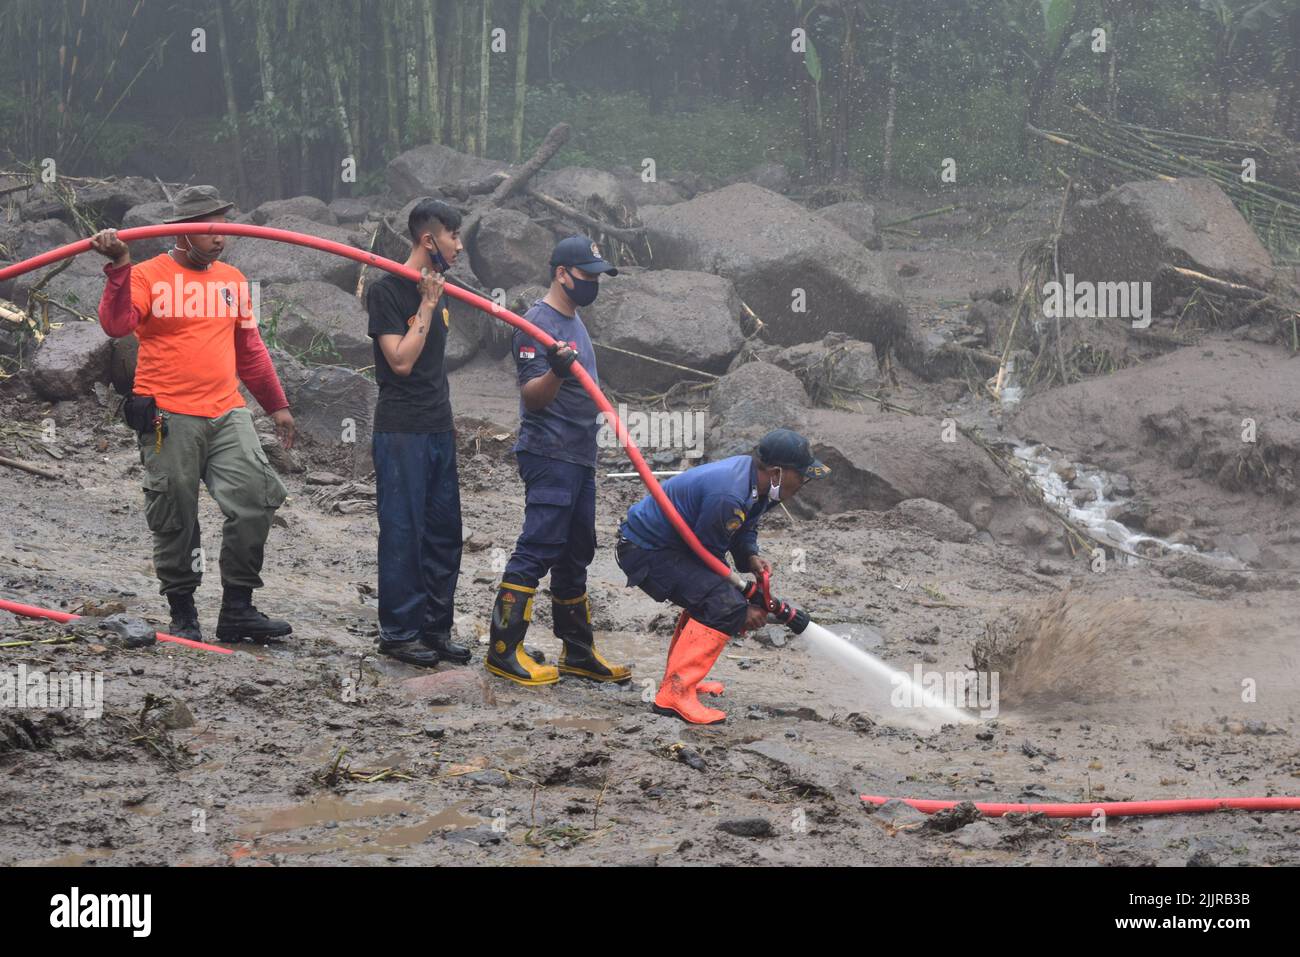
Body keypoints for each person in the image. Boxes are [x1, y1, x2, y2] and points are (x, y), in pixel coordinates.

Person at [90, 185, 295, 643]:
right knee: (175, 512)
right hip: (167, 416)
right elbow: (116, 325)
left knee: (256, 498)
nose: (219, 238)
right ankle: (183, 610)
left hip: (227, 412)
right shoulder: (146, 275)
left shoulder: (235, 280)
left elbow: (251, 349)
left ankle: (238, 610)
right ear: (181, 234)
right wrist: (119, 267)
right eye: (207, 230)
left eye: (221, 228)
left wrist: (277, 406)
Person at [485, 235, 630, 686]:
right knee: (540, 545)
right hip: (549, 453)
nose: (593, 283)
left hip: (580, 455)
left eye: (597, 276)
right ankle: (503, 650)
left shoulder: (575, 320)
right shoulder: (536, 324)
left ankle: (578, 652)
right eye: (586, 275)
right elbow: (533, 397)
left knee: (575, 552)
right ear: (561, 273)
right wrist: (556, 370)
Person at [615, 428, 829, 724]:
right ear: (778, 472)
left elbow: (745, 525)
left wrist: (748, 555)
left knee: (715, 598)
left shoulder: (760, 484)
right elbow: (707, 560)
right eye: (801, 475)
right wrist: (743, 608)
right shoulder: (728, 493)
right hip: (646, 550)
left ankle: (680, 682)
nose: (804, 482)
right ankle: (674, 695)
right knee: (723, 605)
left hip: (673, 548)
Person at [366, 198, 471, 668]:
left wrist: (434, 298)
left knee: (445, 533)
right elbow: (402, 361)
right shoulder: (387, 290)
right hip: (401, 430)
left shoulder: (442, 288)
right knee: (403, 532)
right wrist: (426, 304)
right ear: (429, 240)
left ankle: (435, 628)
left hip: (437, 428)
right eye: (454, 236)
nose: (460, 245)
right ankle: (399, 632)